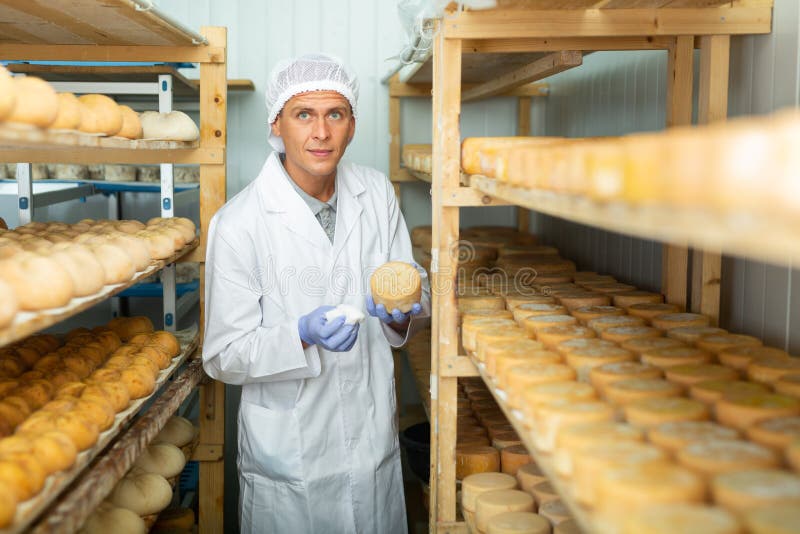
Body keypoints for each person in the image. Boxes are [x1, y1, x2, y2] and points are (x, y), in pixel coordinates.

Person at [202, 53, 430, 534]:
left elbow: (413, 289)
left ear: (352, 125)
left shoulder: (376, 192)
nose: (321, 133)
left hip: (371, 444)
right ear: (277, 125)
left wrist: (396, 314)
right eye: (303, 114)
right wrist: (300, 335)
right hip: (291, 457)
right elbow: (223, 356)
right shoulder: (239, 223)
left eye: (335, 114)